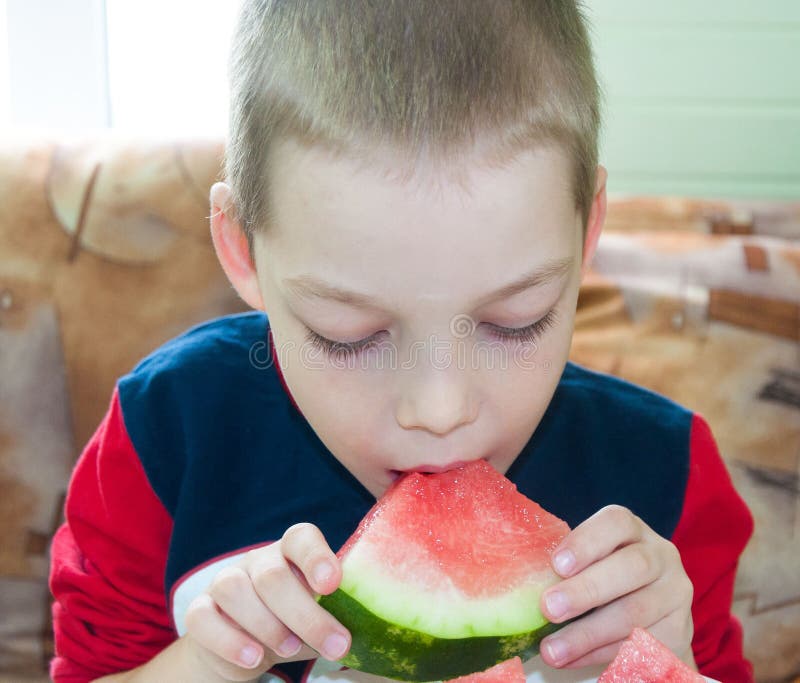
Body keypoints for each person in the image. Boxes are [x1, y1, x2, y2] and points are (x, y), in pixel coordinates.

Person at [48, 1, 754, 682]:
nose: (439, 409)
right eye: (349, 335)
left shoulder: (671, 480)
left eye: (517, 320)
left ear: (586, 231)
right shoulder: (161, 438)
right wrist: (204, 666)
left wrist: (667, 664)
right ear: (241, 248)